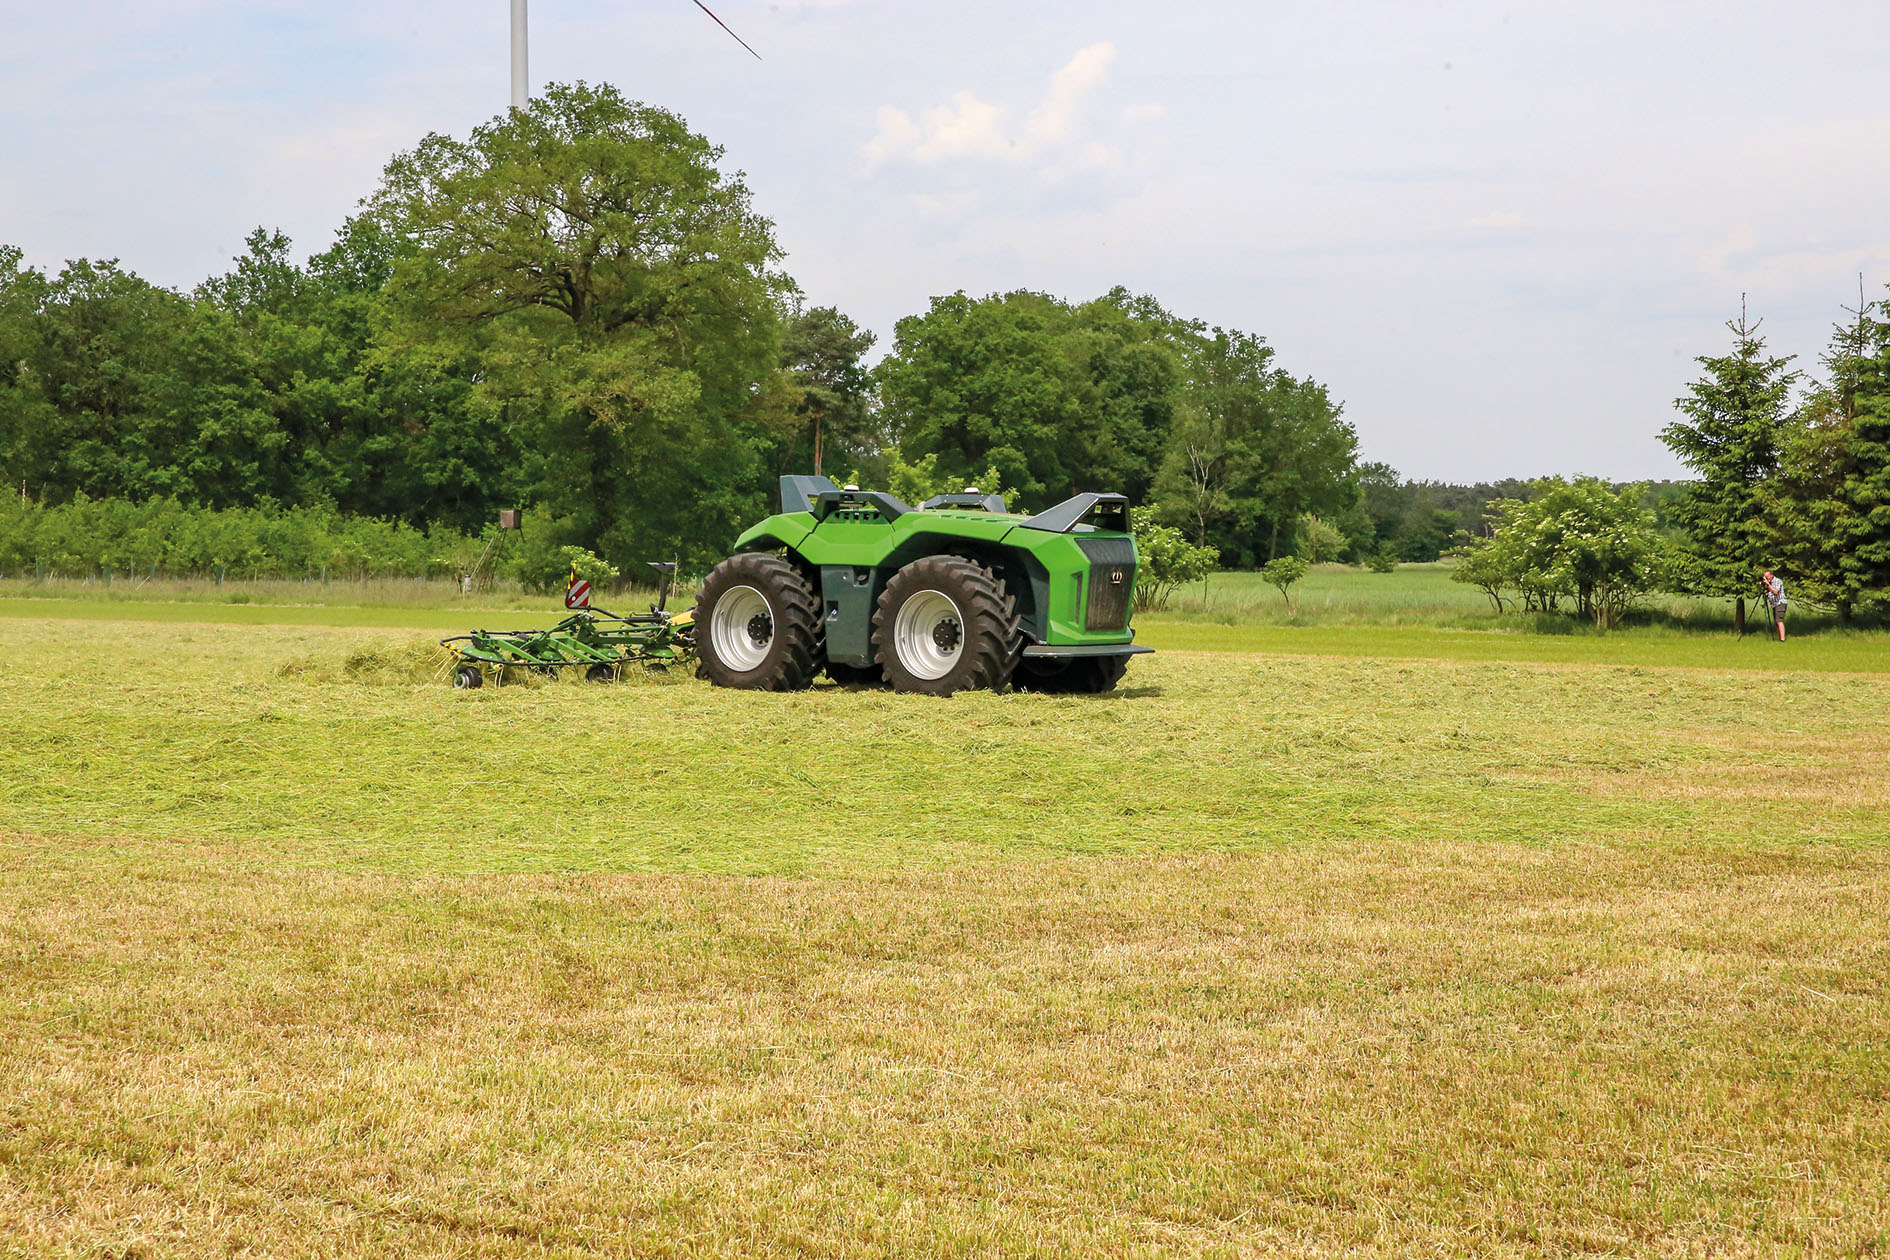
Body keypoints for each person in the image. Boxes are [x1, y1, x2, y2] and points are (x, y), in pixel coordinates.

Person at [1760, 569, 1787, 642]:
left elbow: (1775, 592)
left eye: (1767, 577)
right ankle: (1780, 637)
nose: (1766, 578)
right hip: (1774, 604)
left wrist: (1768, 585)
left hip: (1780, 603)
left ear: (1771, 575)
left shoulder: (1777, 581)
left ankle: (1782, 639)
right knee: (1776, 622)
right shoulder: (1769, 583)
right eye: (1765, 577)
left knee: (1779, 621)